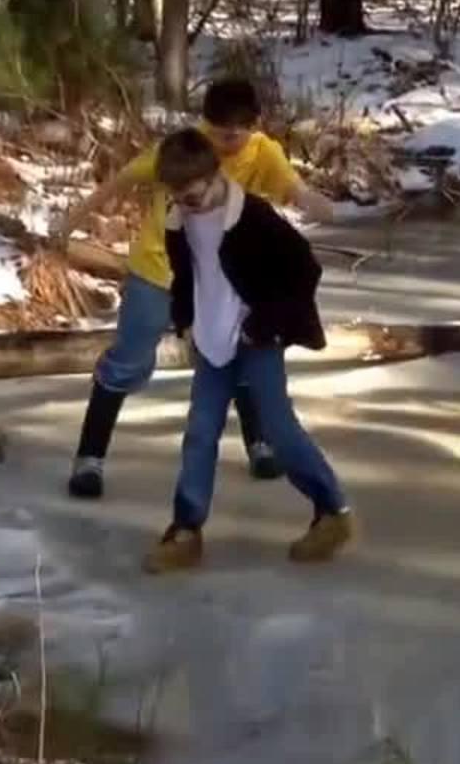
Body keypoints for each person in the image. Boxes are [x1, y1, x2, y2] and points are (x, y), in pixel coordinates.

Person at [55, 78, 337, 501]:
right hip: (158, 268)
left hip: (225, 278)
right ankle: (89, 459)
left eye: (239, 130)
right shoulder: (183, 149)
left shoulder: (264, 153)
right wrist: (71, 220)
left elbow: (292, 189)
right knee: (128, 361)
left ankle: (259, 443)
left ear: (254, 125)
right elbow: (121, 182)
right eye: (221, 130)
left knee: (237, 350)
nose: (230, 139)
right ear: (207, 123)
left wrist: (311, 200)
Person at [140, 127, 355, 573]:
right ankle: (186, 529)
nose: (185, 203)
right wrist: (185, 322)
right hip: (213, 341)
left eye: (192, 194)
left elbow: (304, 269)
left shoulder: (253, 217)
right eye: (176, 196)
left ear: (214, 174)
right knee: (200, 433)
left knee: (278, 429)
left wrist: (267, 323)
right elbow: (186, 278)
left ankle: (332, 511)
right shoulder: (178, 221)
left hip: (257, 336)